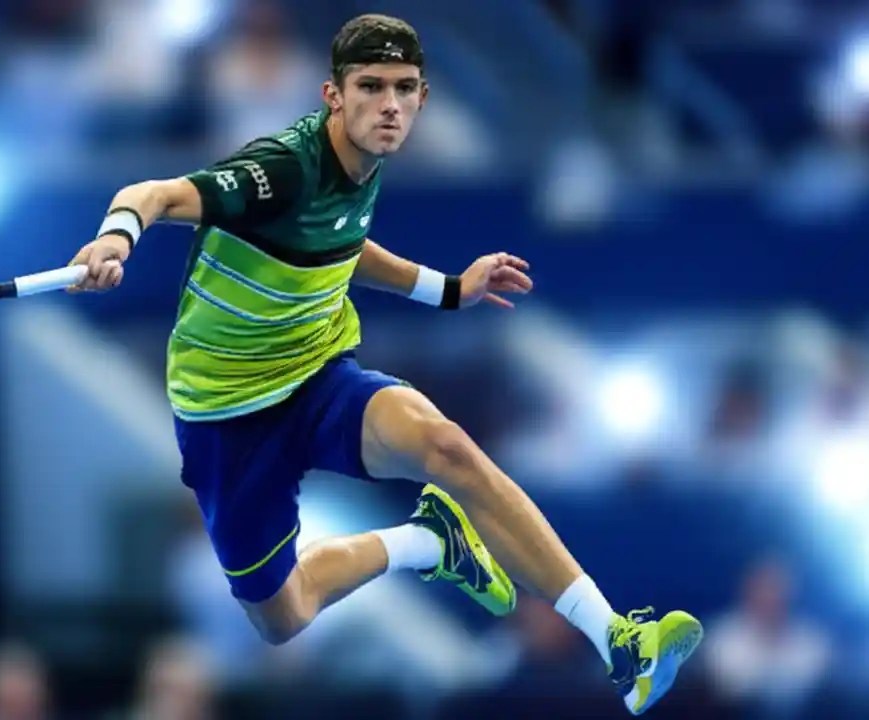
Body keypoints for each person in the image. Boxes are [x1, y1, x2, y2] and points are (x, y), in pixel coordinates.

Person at [66, 13, 702, 716]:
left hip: (316, 376)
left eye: (403, 88)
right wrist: (116, 239)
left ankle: (618, 641)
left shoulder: (364, 166)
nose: (389, 104)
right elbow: (151, 193)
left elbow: (343, 244)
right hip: (227, 419)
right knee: (283, 617)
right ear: (333, 95)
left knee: (448, 447)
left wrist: (448, 290)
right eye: (370, 87)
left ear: (423, 98)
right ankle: (426, 542)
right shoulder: (280, 171)